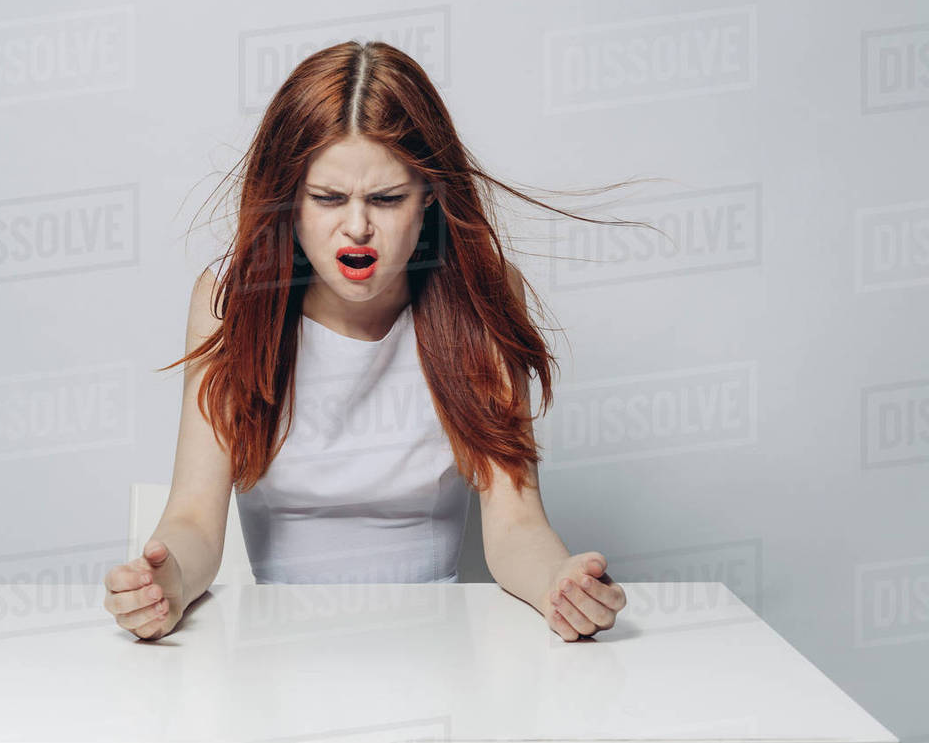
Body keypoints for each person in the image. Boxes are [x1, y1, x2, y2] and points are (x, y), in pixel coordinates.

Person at [104, 40, 640, 642]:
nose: (356, 226)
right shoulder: (231, 298)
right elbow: (194, 518)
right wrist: (166, 582)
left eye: (386, 199)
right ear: (289, 200)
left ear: (430, 196)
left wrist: (558, 585)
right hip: (277, 648)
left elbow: (516, 521)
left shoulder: (480, 293)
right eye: (328, 198)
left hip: (434, 643)